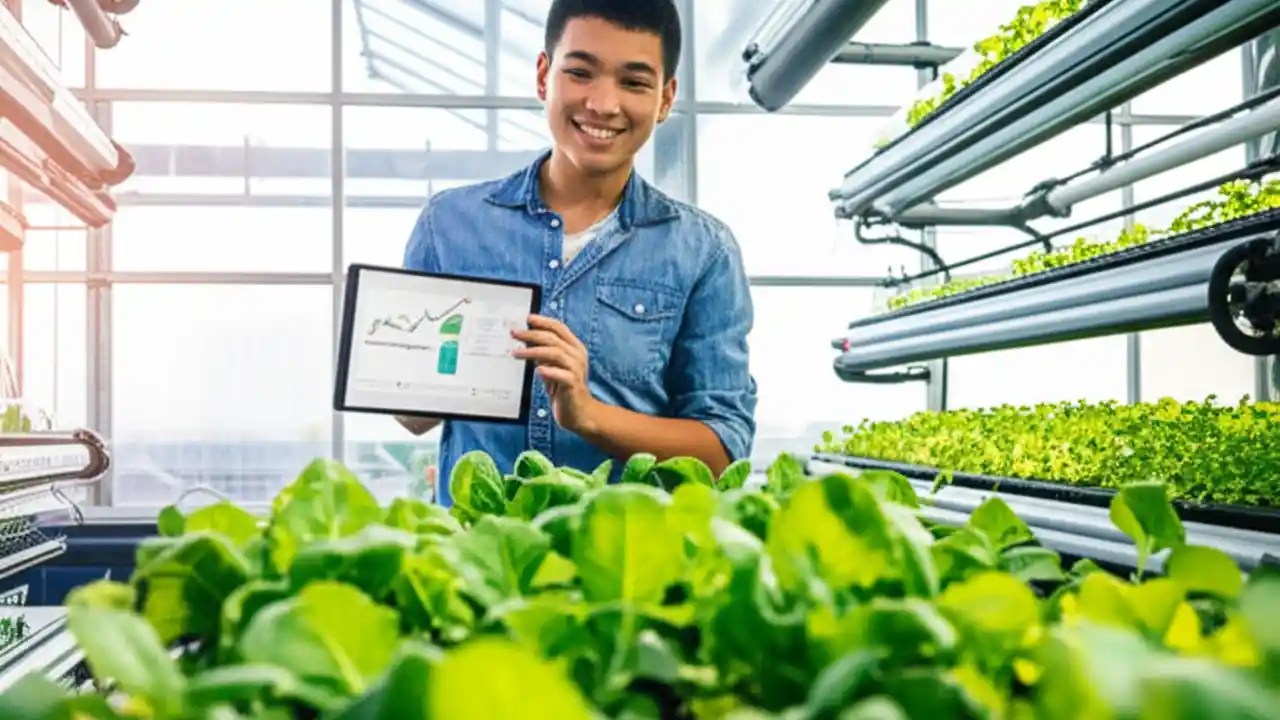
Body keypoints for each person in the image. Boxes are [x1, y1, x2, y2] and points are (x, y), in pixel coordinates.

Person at [398, 0, 757, 506]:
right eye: (581, 72)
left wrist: (588, 415)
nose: (603, 104)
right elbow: (411, 415)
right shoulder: (449, 225)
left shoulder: (703, 251)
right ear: (544, 76)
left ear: (665, 98)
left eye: (633, 82)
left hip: (627, 559)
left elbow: (723, 451)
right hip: (479, 561)